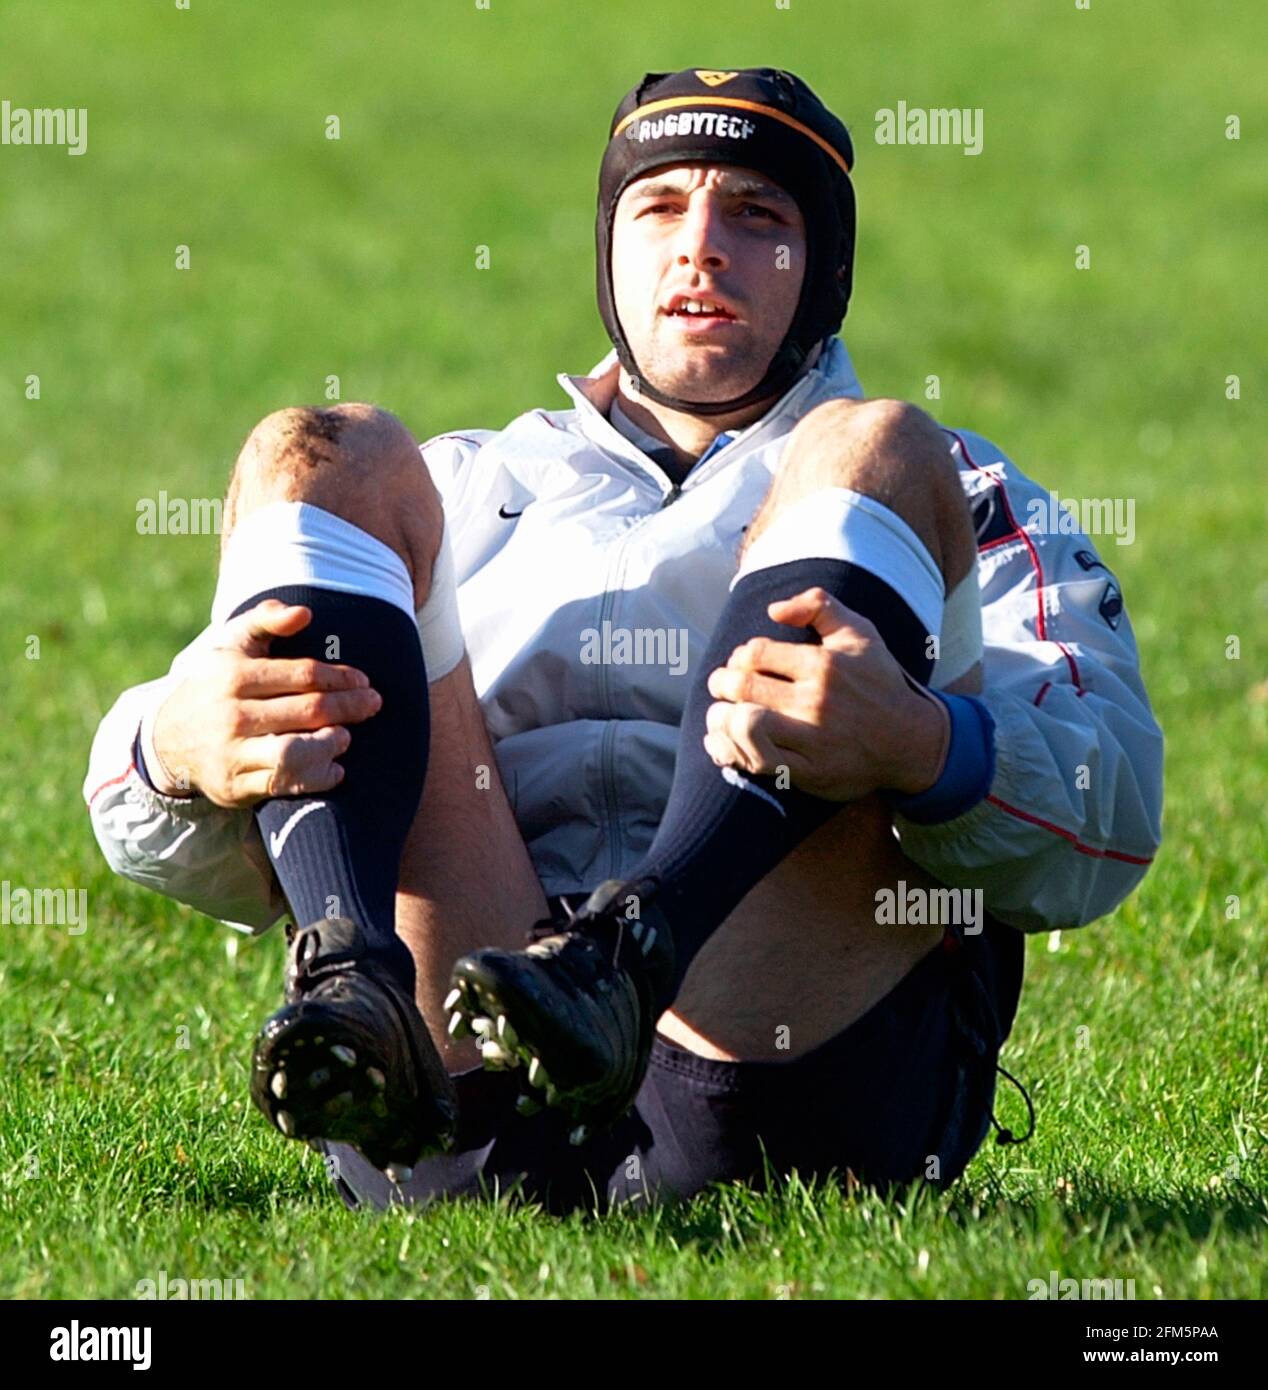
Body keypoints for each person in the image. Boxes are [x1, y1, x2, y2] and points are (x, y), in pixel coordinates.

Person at [85, 67, 1163, 1212]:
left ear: (826, 270)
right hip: (462, 1077)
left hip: (771, 1073)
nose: (699, 247)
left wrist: (924, 744)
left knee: (878, 444)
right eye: (657, 207)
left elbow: (1114, 806)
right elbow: (166, 809)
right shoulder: (450, 491)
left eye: (756, 214)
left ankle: (637, 946)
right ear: (608, 250)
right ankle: (355, 983)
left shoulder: (948, 488)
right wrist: (170, 748)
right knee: (323, 451)